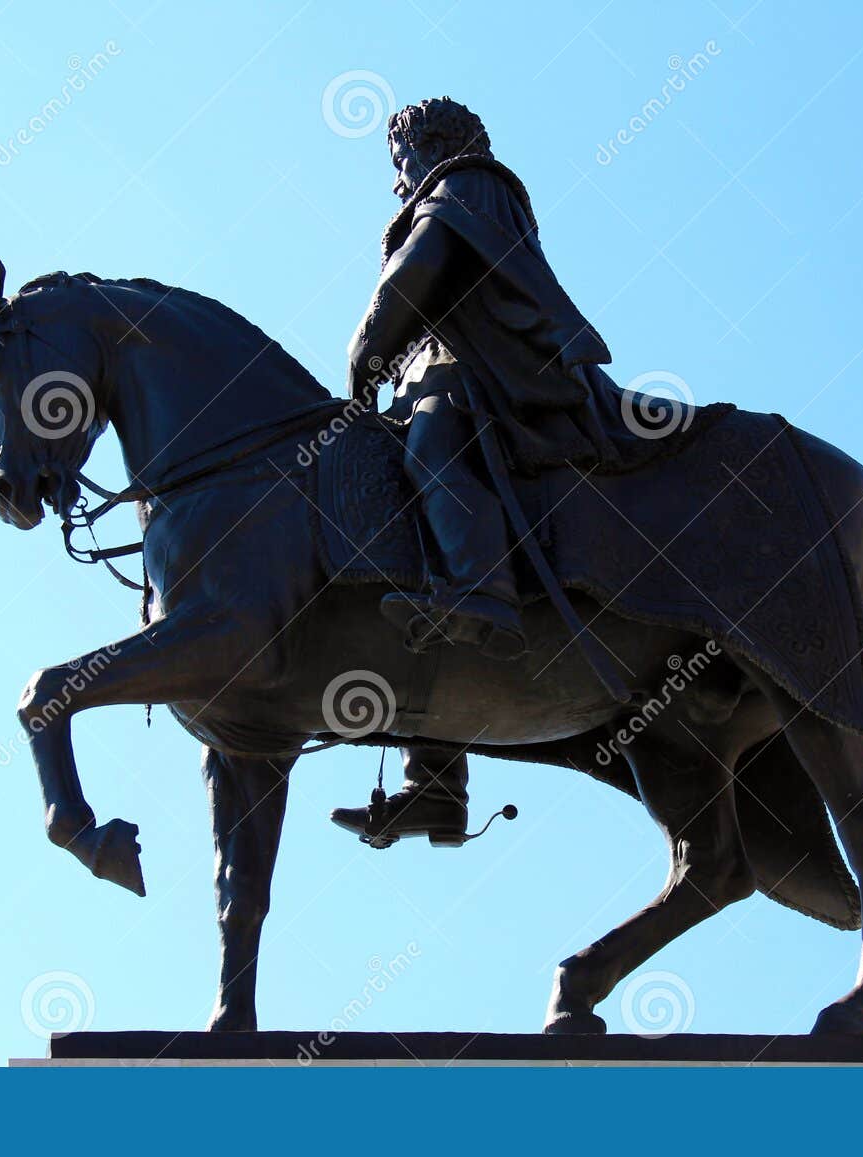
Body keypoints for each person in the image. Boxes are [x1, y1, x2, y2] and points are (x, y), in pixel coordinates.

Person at [331, 96, 648, 846]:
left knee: (432, 443)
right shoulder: (451, 191)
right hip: (443, 377)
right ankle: (434, 784)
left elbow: (417, 273)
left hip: (496, 384)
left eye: (401, 161)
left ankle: (482, 593)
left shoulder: (471, 182)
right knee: (397, 526)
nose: (397, 180)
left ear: (437, 144)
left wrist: (364, 350)